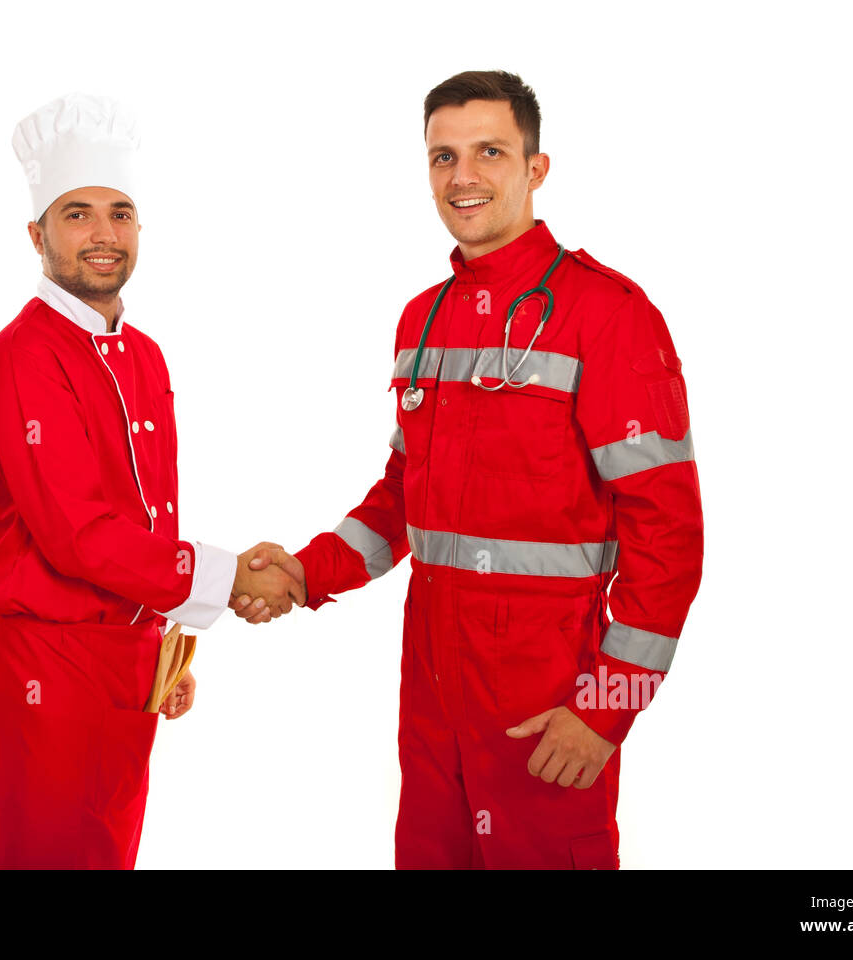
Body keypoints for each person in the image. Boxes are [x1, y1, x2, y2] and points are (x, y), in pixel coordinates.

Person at [233, 71, 704, 869]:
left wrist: (604, 710)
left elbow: (672, 542)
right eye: (442, 157)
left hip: (546, 712)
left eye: (490, 151)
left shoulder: (611, 317)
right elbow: (400, 500)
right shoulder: (426, 317)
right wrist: (307, 573)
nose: (464, 177)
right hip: (433, 704)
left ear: (535, 168)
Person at [0, 92, 304, 869]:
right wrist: (225, 577)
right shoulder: (23, 359)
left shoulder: (145, 355)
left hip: (124, 670)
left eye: (119, 212)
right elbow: (77, 534)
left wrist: (161, 643)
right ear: (36, 234)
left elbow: (143, 522)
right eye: (77, 214)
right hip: (47, 673)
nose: (103, 234)